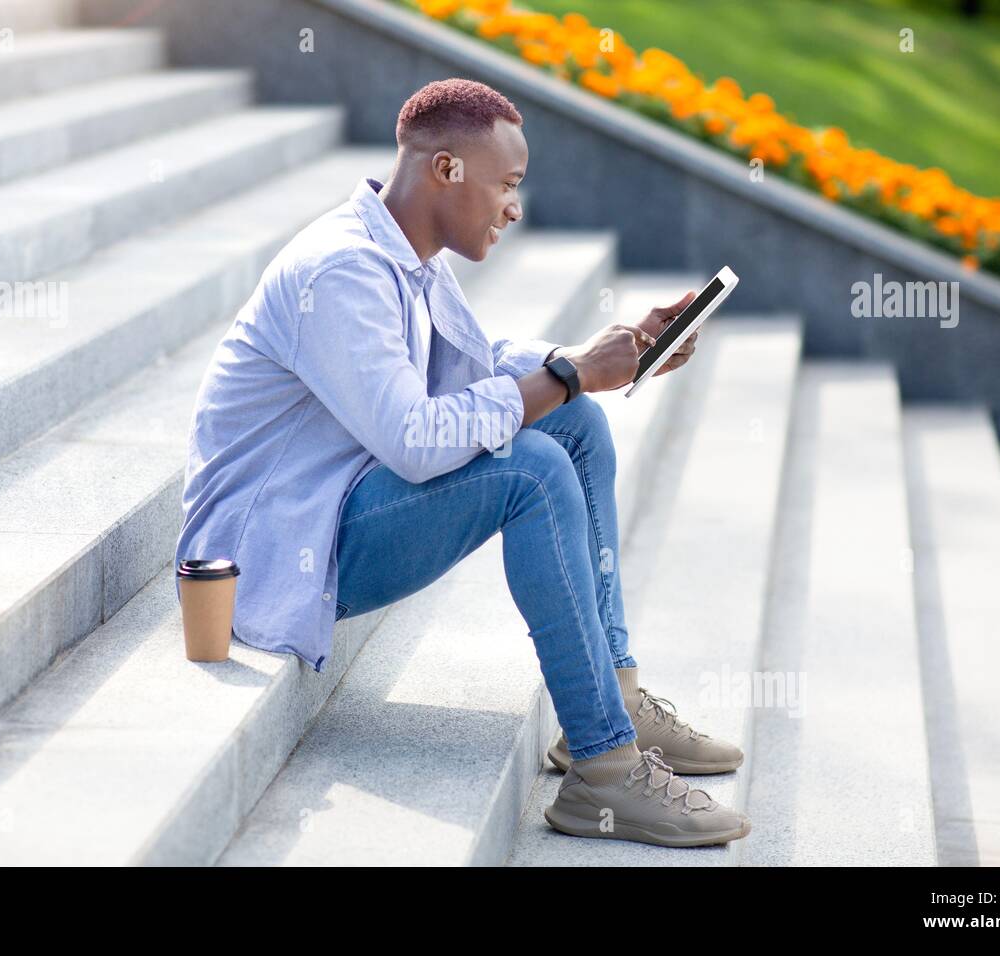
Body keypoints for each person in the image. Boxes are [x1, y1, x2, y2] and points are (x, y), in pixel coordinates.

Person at [176, 77, 750, 848]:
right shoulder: (342, 270)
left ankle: (610, 695)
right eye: (507, 185)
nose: (515, 207)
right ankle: (604, 773)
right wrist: (570, 372)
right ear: (446, 170)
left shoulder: (404, 251)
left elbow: (477, 366)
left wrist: (586, 359)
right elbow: (415, 440)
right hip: (273, 553)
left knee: (573, 420)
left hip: (337, 502)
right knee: (532, 472)